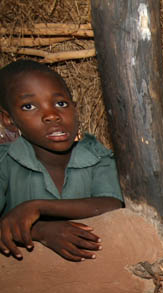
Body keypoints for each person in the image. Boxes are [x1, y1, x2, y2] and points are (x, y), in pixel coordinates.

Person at [0, 59, 124, 261]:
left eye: (61, 103)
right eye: (29, 106)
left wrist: (37, 207)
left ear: (74, 109)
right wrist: (39, 231)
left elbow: (111, 204)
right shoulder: (5, 162)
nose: (51, 115)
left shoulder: (97, 156)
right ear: (9, 120)